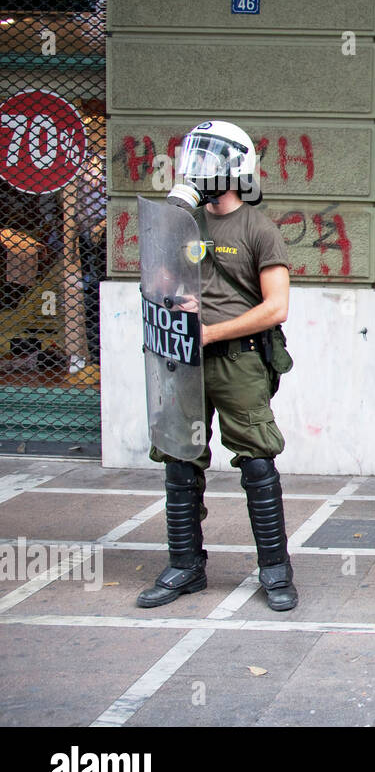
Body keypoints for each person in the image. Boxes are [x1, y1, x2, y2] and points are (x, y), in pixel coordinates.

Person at [137, 120, 298, 612]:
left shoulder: (258, 228)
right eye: (196, 155)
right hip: (184, 360)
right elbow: (160, 280)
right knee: (179, 460)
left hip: (239, 361)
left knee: (256, 462)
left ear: (237, 168)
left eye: (211, 158)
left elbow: (276, 308)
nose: (199, 167)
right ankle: (185, 565)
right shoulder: (186, 222)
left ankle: (274, 570)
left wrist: (210, 330)